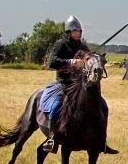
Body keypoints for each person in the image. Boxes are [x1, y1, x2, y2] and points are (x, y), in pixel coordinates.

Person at [39, 15, 118, 154]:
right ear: (68, 32)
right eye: (74, 30)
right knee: (56, 105)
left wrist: (92, 58)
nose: (77, 33)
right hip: (64, 83)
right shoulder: (61, 44)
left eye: (79, 31)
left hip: (80, 85)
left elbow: (89, 61)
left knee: (103, 106)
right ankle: (51, 138)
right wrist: (71, 62)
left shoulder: (82, 46)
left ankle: (102, 141)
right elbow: (52, 62)